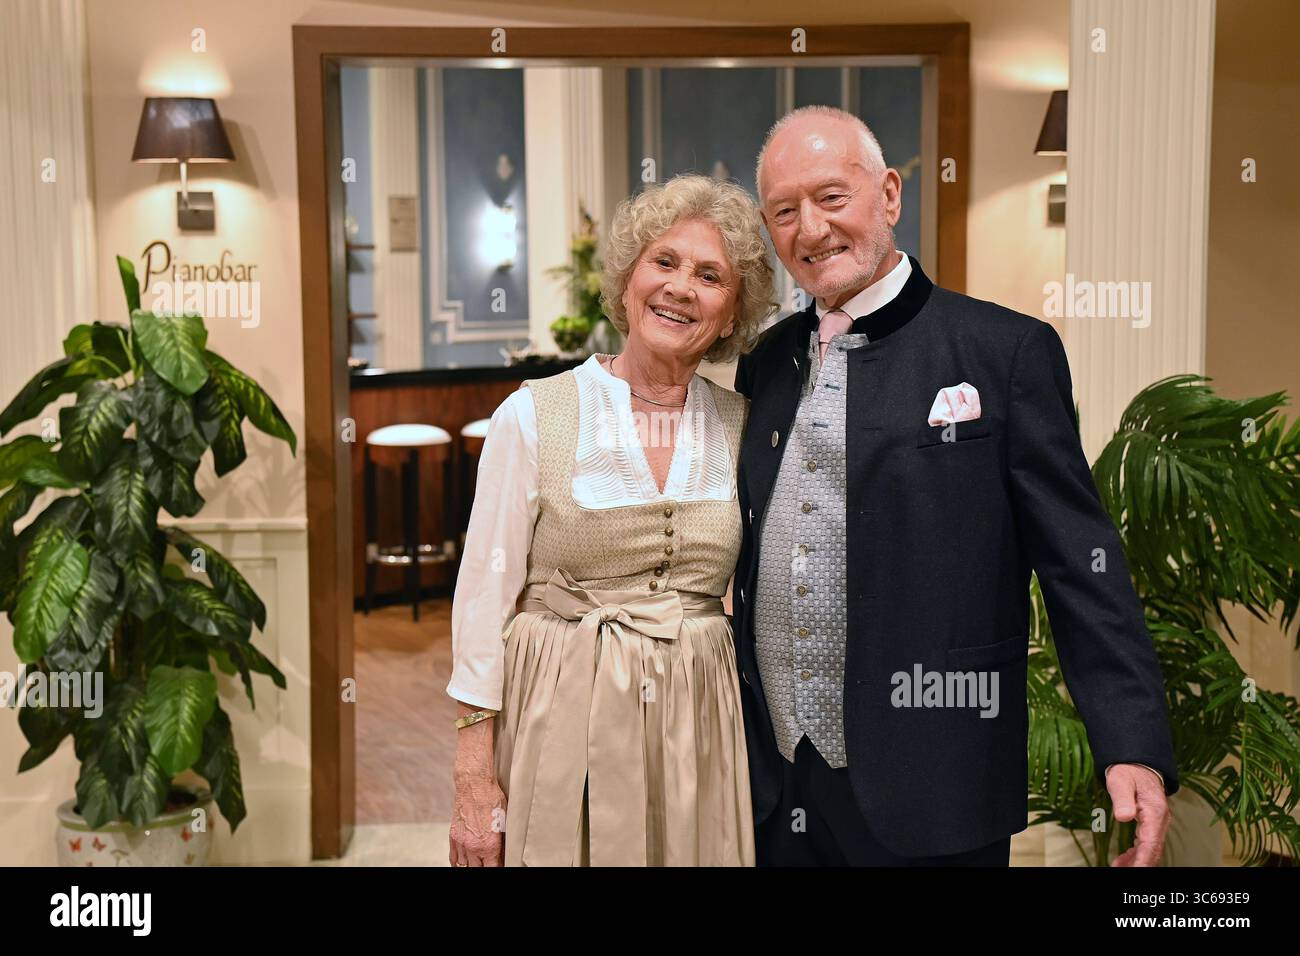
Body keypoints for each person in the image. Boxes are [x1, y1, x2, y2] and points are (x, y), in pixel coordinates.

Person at [732, 105, 1178, 866]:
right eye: (784, 211)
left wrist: (1130, 741)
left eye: (831, 198)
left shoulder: (1006, 352)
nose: (810, 230)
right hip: (778, 785)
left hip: (936, 782)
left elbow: (1081, 562)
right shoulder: (765, 363)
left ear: (891, 195)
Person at [447, 173, 777, 866]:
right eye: (664, 262)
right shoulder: (534, 413)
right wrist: (474, 778)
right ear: (628, 279)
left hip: (699, 721)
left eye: (710, 275)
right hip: (561, 706)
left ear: (732, 313)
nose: (681, 287)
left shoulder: (745, 427)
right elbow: (483, 595)